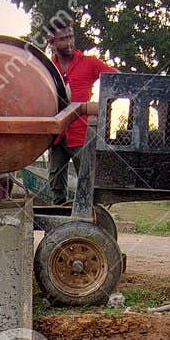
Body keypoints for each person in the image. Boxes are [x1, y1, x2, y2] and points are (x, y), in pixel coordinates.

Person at [45, 20, 114, 205]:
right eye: (63, 39)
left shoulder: (89, 63)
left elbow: (116, 81)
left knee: (87, 183)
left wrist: (103, 107)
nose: (69, 43)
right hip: (57, 135)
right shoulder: (48, 67)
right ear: (52, 42)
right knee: (56, 183)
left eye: (70, 37)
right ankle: (59, 216)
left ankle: (89, 215)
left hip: (82, 134)